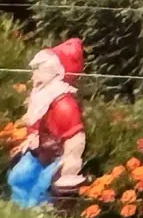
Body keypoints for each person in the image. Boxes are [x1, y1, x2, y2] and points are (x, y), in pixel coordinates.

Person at [8, 38, 86, 208]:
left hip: (57, 157)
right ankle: (19, 209)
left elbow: (76, 139)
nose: (34, 76)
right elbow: (34, 125)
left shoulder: (64, 105)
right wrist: (29, 140)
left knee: (42, 186)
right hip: (38, 152)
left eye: (39, 71)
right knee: (18, 176)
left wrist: (70, 164)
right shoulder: (40, 98)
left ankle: (40, 213)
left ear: (56, 74)